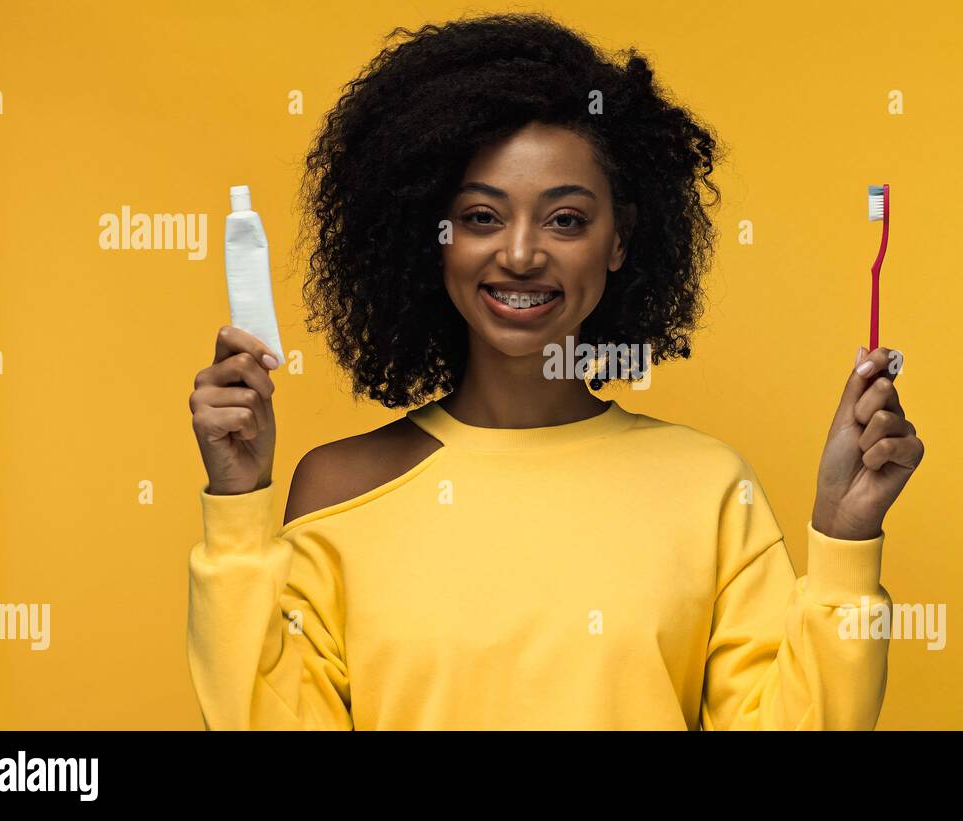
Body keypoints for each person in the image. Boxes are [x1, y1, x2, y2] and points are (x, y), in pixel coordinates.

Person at [186, 12, 923, 730]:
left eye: (565, 219)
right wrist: (238, 509)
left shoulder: (708, 489)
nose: (519, 254)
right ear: (433, 236)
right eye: (481, 216)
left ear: (620, 240)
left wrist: (843, 540)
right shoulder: (340, 488)